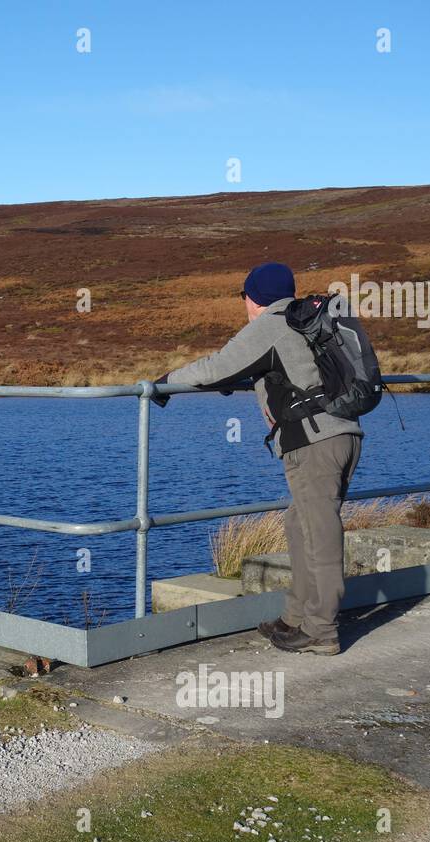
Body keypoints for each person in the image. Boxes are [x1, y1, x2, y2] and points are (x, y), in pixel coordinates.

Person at [153, 262, 363, 655]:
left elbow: (216, 366)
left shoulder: (271, 323)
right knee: (299, 524)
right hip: (344, 435)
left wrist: (165, 383)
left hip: (314, 444)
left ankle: (322, 630)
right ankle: (296, 619)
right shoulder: (305, 319)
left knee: (318, 534)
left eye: (244, 297)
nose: (244, 305)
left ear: (253, 298)